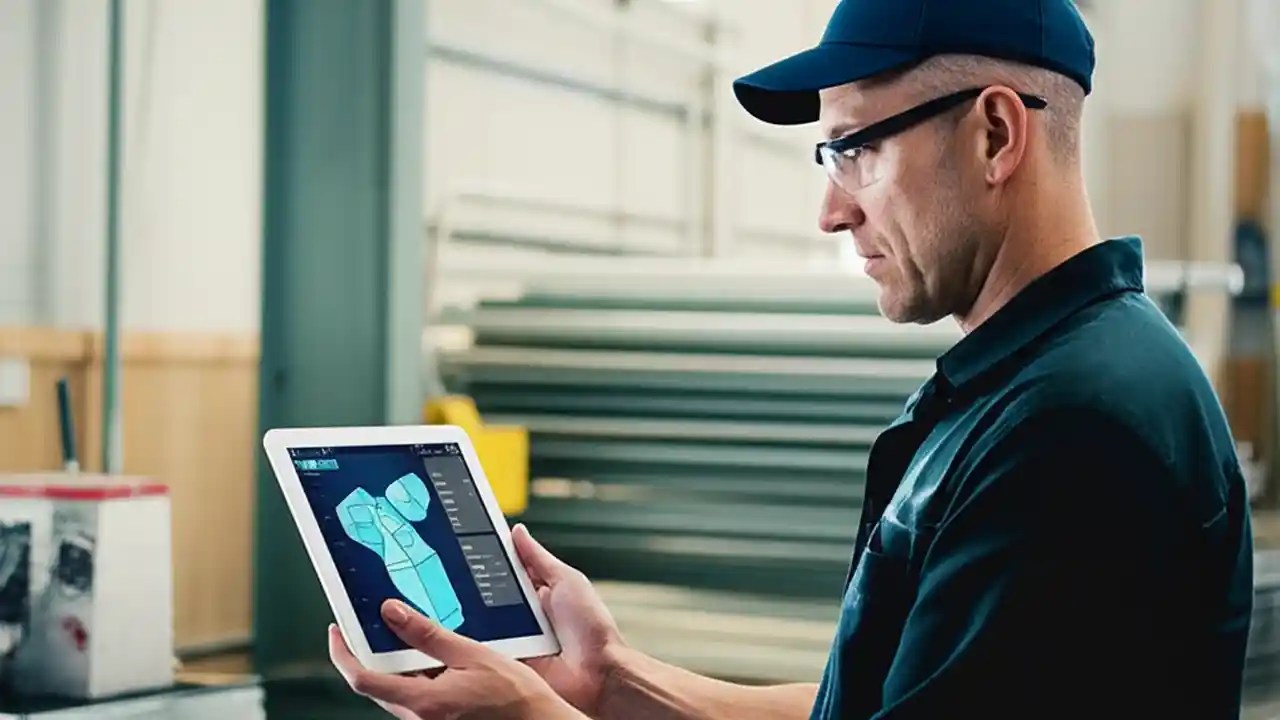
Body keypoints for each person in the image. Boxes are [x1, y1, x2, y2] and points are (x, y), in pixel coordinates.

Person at [330, 0, 1256, 717]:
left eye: (856, 150)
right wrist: (613, 683)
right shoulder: (1025, 384)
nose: (832, 210)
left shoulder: (1079, 426)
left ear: (997, 134)